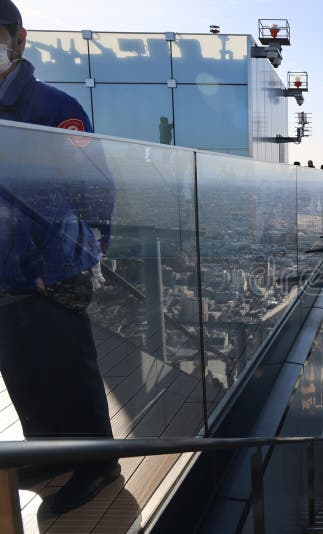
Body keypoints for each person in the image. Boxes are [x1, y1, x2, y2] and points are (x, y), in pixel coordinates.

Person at [0, 0, 119, 515]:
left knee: (70, 372)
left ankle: (98, 464)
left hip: (54, 269)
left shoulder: (53, 110)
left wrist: (86, 254)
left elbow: (94, 186)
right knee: (23, 373)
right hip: (5, 271)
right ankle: (48, 454)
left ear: (19, 39)